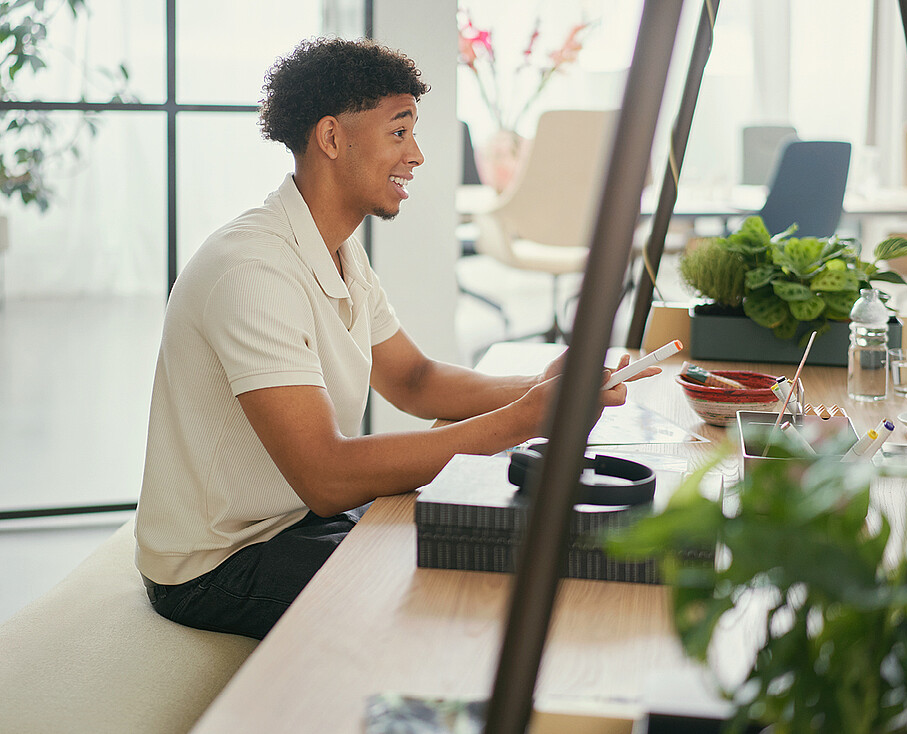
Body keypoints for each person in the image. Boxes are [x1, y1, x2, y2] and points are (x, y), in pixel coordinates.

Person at [134, 37, 653, 640]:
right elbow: (326, 476)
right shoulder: (252, 268)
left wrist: (538, 388)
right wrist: (523, 420)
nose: (419, 155)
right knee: (453, 598)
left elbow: (415, 379)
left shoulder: (336, 249)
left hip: (294, 520)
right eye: (399, 132)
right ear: (331, 138)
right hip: (219, 562)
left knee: (480, 550)